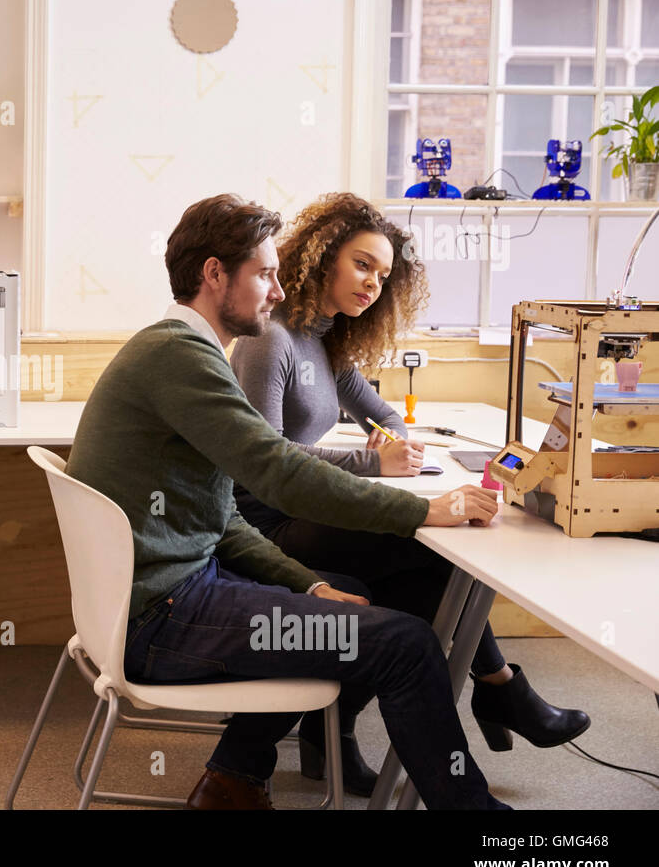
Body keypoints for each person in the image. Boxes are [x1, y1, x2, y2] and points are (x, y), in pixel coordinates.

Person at [66, 192, 511, 809]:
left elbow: (222, 515)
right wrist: (423, 510)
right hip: (165, 617)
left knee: (351, 592)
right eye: (265, 274)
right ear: (214, 274)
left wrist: (307, 587)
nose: (278, 291)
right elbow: (279, 473)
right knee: (405, 643)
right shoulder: (178, 355)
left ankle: (235, 778)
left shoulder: (183, 351)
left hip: (168, 597)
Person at [229, 192, 589, 796]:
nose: (373, 283)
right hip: (269, 522)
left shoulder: (327, 338)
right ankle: (498, 691)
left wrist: (395, 445)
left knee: (432, 573)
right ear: (322, 258)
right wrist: (372, 463)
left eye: (384, 274)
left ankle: (366, 720)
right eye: (362, 264)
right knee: (433, 555)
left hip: (310, 505)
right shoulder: (273, 338)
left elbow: (386, 417)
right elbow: (263, 459)